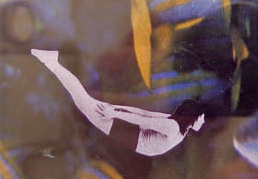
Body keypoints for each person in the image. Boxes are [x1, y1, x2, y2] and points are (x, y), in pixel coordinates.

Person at [31, 49, 205, 156]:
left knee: (83, 101)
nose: (203, 122)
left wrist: (116, 109)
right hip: (130, 133)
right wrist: (114, 112)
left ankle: (52, 62)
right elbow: (142, 119)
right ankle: (52, 63)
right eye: (201, 118)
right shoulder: (172, 127)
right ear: (192, 117)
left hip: (130, 133)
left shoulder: (174, 125)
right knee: (82, 100)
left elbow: (143, 114)